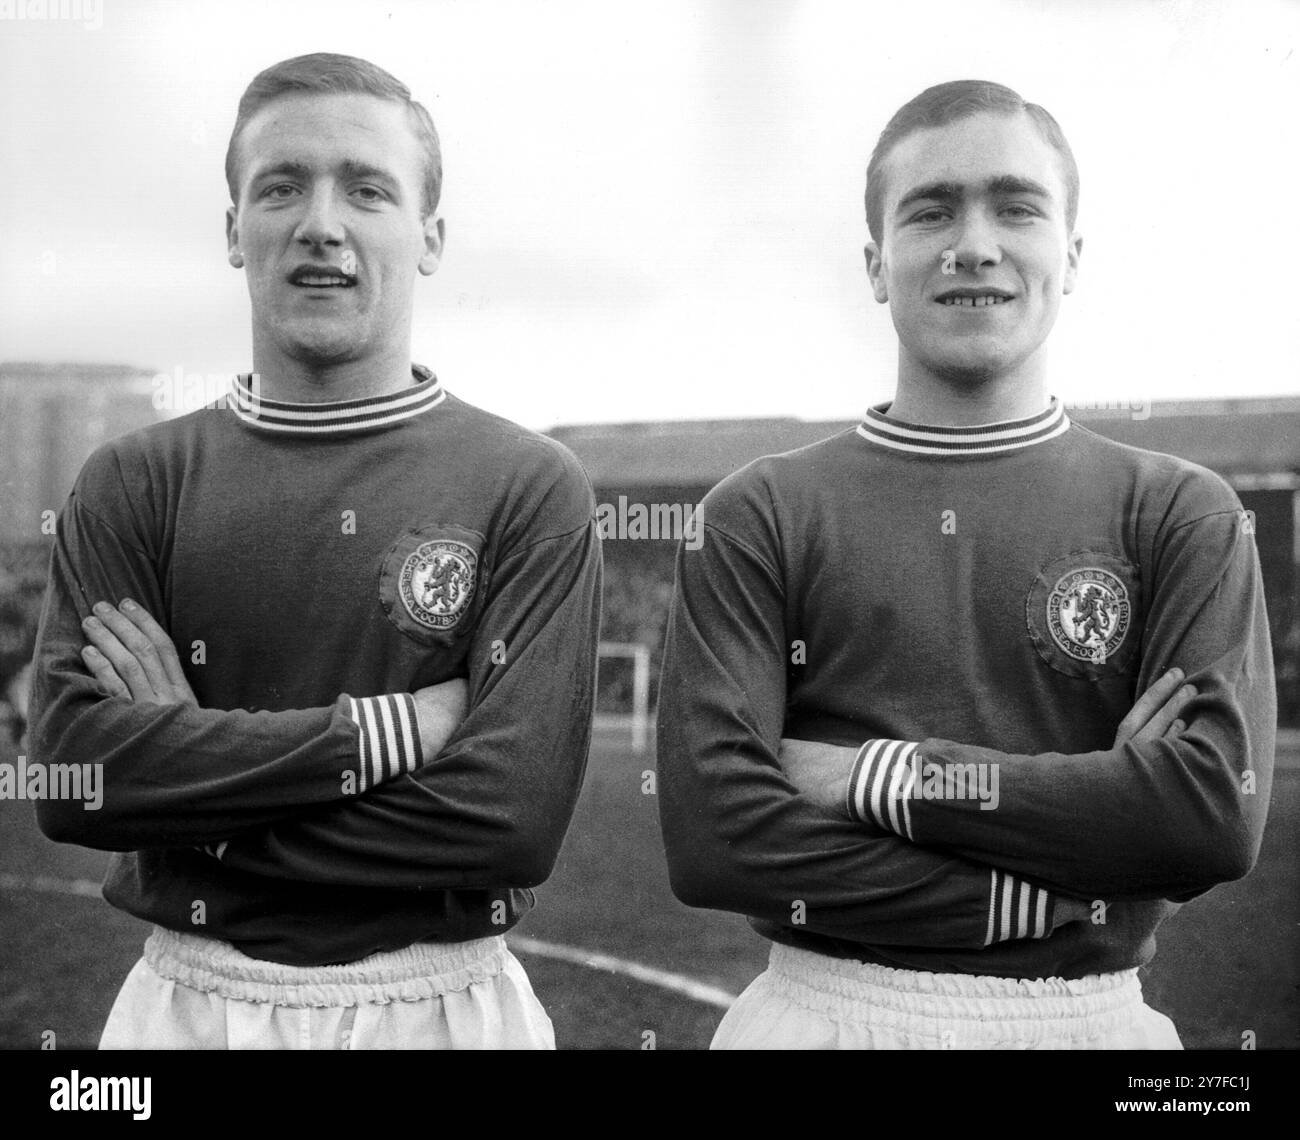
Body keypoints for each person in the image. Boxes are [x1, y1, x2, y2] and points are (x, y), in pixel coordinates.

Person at [655, 79, 1274, 1050]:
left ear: (1068, 254)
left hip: (1093, 1027)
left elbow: (1203, 819)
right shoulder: (759, 512)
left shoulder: (1180, 511)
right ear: (875, 261)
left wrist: (881, 780)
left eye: (1015, 206)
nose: (973, 242)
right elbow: (716, 841)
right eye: (931, 209)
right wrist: (1080, 852)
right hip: (822, 1018)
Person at [29, 52, 602, 1050]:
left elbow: (507, 822)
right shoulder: (130, 480)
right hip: (186, 1007)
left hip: (447, 1007)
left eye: (367, 189)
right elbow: (73, 778)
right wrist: (383, 735)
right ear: (232, 229)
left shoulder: (527, 483)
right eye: (281, 185)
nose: (320, 222)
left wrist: (187, 790)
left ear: (428, 234)